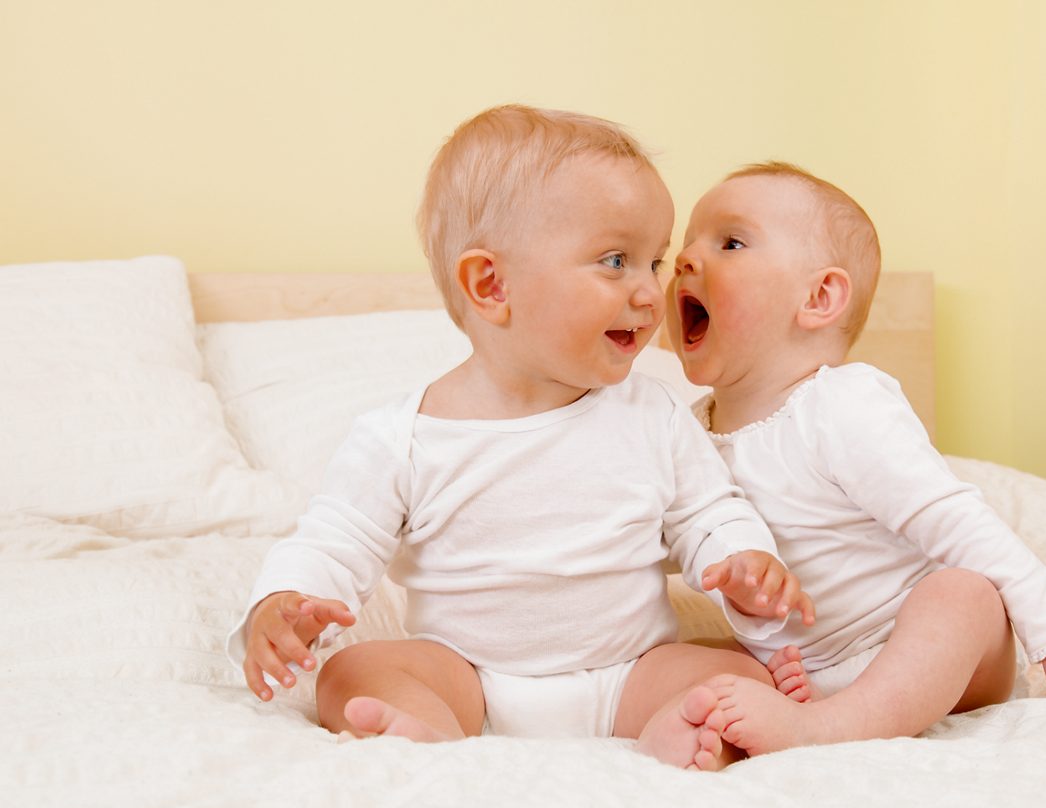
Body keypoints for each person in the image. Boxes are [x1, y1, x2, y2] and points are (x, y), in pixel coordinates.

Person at [225, 108, 815, 771]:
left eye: (655, 261)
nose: (652, 292)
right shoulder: (404, 438)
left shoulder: (653, 412)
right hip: (469, 680)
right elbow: (334, 540)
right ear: (492, 285)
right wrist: (283, 602)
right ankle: (428, 735)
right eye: (616, 261)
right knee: (351, 670)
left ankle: (673, 732)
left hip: (628, 675)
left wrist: (742, 562)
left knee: (746, 677)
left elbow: (708, 512)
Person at [666, 161, 1046, 756]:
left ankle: (826, 728)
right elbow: (661, 544)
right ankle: (749, 722)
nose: (686, 258)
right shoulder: (682, 433)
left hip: (927, 653)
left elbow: (957, 521)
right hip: (796, 666)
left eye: (730, 242)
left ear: (819, 297)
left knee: (964, 594)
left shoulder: (840, 405)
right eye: (688, 242)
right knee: (665, 658)